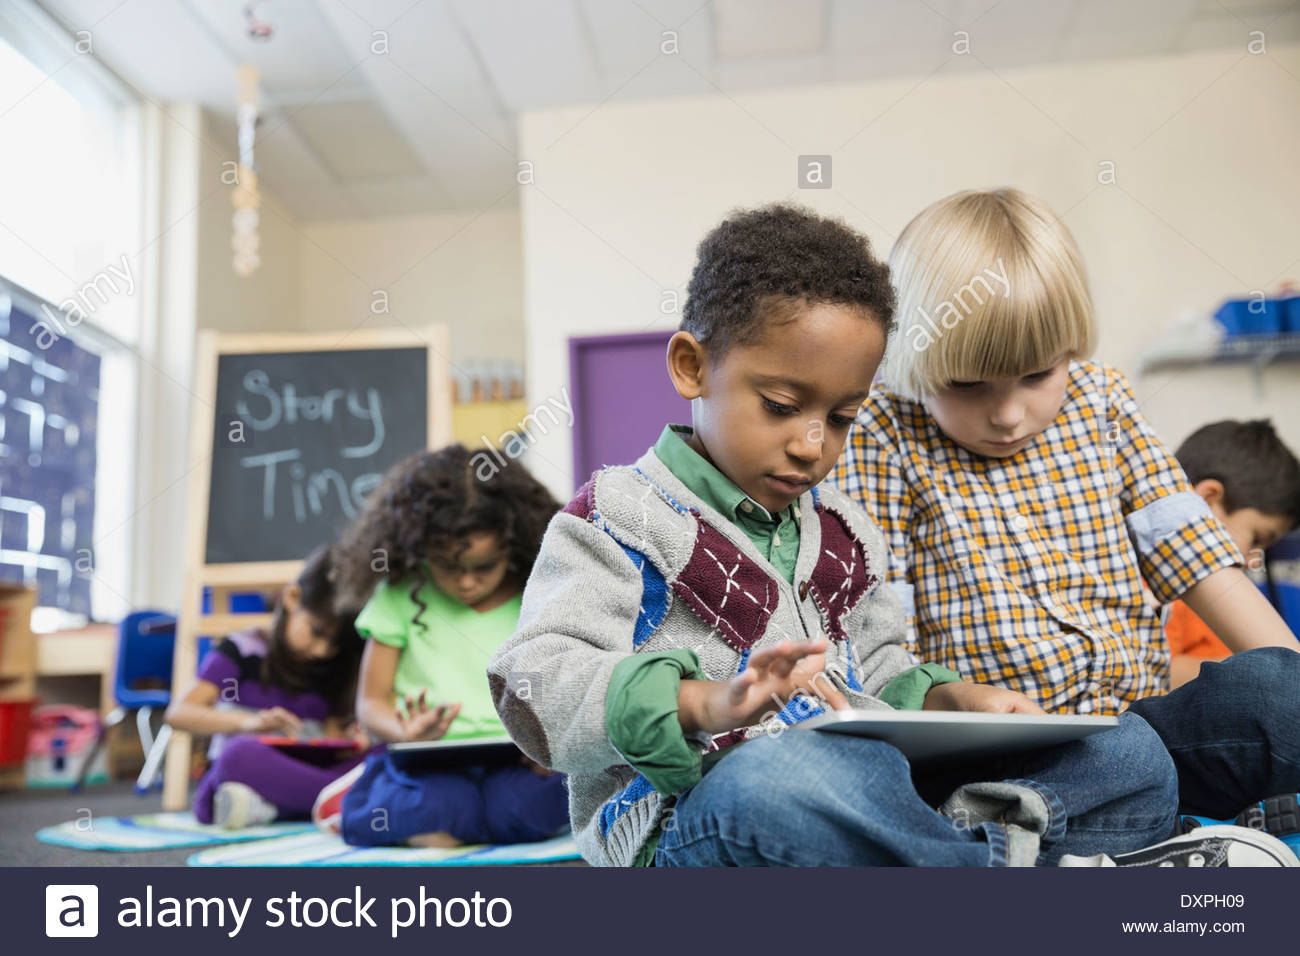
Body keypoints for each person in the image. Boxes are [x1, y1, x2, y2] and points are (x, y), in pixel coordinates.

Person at [488, 203, 1291, 867]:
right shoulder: (613, 517)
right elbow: (536, 686)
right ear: (693, 367)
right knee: (778, 779)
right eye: (781, 405)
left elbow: (881, 670)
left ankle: (971, 860)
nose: (813, 444)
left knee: (1133, 757)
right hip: (697, 821)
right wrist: (700, 703)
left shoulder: (843, 532)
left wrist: (947, 696)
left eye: (841, 418)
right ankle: (1015, 872)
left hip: (868, 801)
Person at [830, 186, 1300, 839]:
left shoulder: (1103, 401)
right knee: (1123, 758)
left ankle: (1134, 830)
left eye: (1037, 376)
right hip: (998, 752)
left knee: (1271, 694)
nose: (1007, 414)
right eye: (967, 385)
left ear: (1069, 352)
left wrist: (1292, 687)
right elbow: (882, 641)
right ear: (913, 359)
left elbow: (1201, 559)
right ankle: (999, 835)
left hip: (1142, 723)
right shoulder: (884, 432)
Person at [312, 444, 569, 847]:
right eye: (449, 567)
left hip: (518, 761)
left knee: (524, 811)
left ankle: (458, 818)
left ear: (512, 544)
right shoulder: (398, 596)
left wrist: (550, 742)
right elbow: (370, 704)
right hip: (427, 762)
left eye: (484, 567)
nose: (467, 583)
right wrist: (404, 731)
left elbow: (564, 685)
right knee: (441, 808)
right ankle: (364, 797)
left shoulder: (535, 595)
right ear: (421, 549)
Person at [165, 545, 365, 828]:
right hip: (250, 763)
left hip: (305, 770)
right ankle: (350, 800)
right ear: (292, 597)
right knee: (238, 756)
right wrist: (248, 723)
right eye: (316, 631)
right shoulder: (241, 648)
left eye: (334, 643)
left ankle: (273, 807)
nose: (322, 650)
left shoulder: (333, 665)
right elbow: (179, 713)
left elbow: (332, 737)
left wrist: (352, 743)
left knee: (380, 755)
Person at [1166, 419, 1300, 687]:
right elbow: (1160, 670)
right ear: (1208, 500)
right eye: (1257, 538)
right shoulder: (1165, 587)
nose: (1253, 560)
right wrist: (1251, 673)